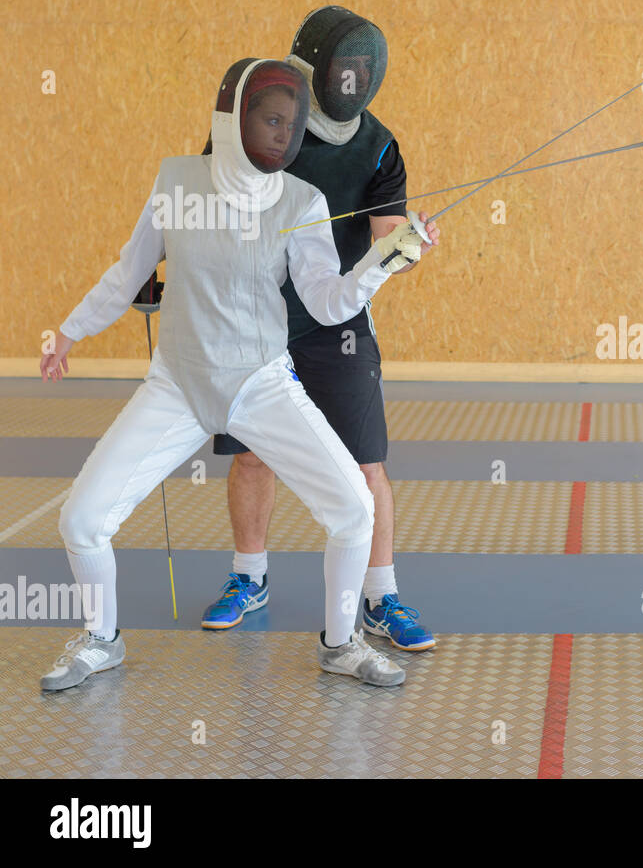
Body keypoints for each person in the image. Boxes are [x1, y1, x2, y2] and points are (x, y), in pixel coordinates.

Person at [38, 58, 428, 691]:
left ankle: (339, 642)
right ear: (232, 117)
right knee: (81, 520)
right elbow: (128, 270)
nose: (283, 135)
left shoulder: (303, 201)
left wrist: (382, 261)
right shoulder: (176, 183)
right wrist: (71, 332)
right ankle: (99, 639)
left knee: (355, 508)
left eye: (292, 125)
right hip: (177, 386)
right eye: (270, 120)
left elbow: (329, 302)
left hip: (261, 384)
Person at [201, 7, 438, 652]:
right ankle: (248, 578)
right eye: (345, 68)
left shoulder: (379, 145)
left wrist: (405, 247)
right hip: (253, 318)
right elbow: (205, 204)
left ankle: (380, 595)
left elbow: (385, 241)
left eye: (363, 71)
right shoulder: (259, 118)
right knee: (254, 455)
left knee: (366, 464)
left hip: (335, 322)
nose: (353, 79)